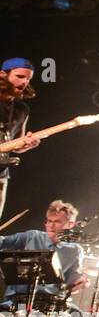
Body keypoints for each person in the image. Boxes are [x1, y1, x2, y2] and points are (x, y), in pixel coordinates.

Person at [0, 199, 86, 310]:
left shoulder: (75, 250)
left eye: (57, 222)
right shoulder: (31, 236)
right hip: (17, 300)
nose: (51, 225)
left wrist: (80, 283)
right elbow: (3, 242)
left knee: (77, 315)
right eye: (49, 221)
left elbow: (71, 283)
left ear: (70, 224)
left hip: (50, 303)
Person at [0, 58, 41, 219]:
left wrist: (27, 145)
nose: (24, 82)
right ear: (3, 75)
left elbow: (16, 144)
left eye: (28, 79)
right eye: (20, 76)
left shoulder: (22, 109)